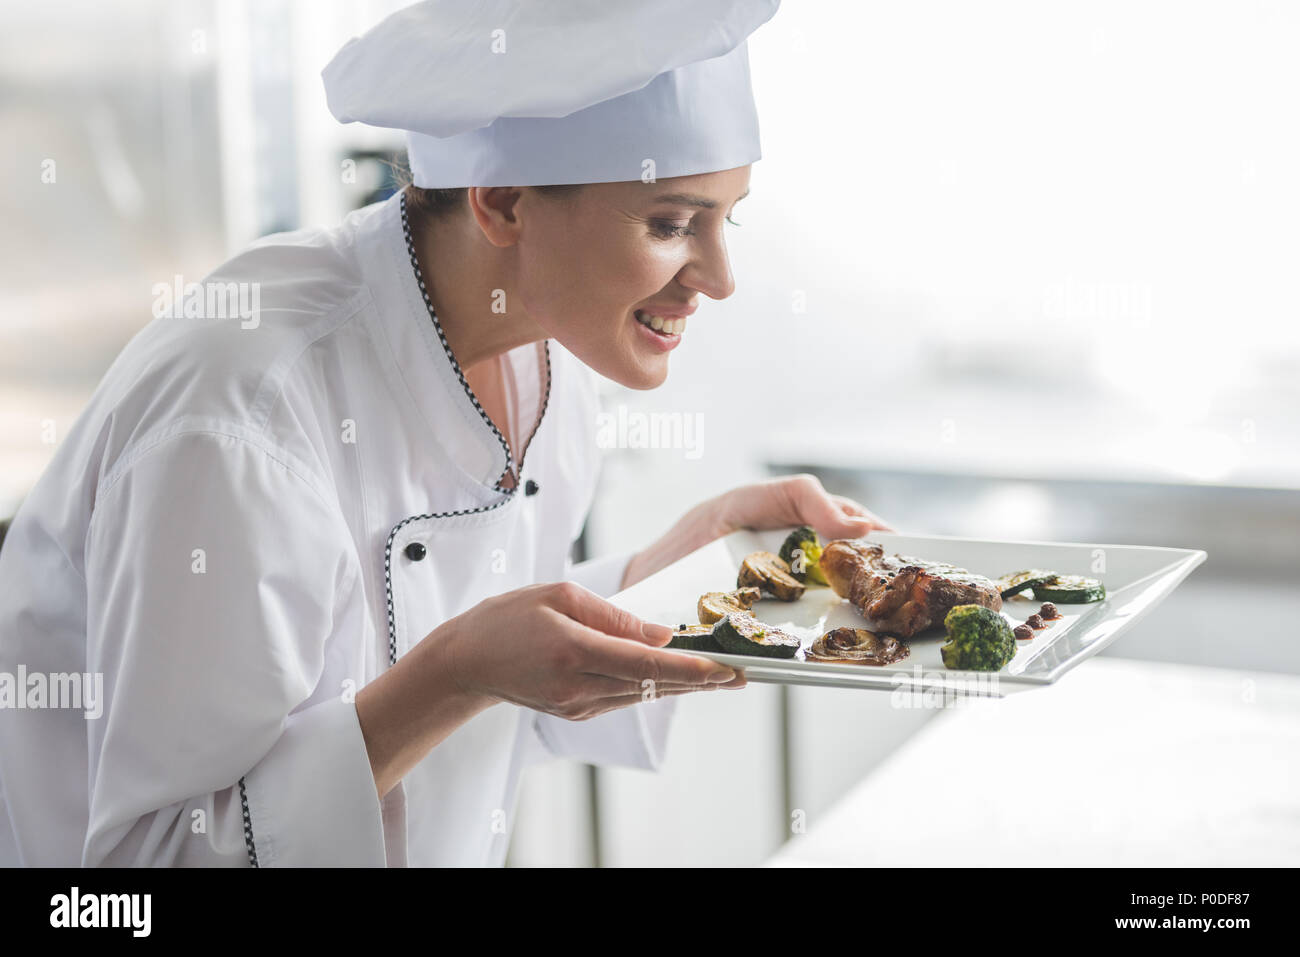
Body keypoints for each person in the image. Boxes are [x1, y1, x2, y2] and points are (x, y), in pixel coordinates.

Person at [0, 0, 891, 866]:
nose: (720, 278)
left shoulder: (552, 359)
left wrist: (687, 567)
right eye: (670, 224)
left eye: (726, 219)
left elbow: (501, 670)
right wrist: (454, 674)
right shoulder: (239, 424)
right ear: (502, 201)